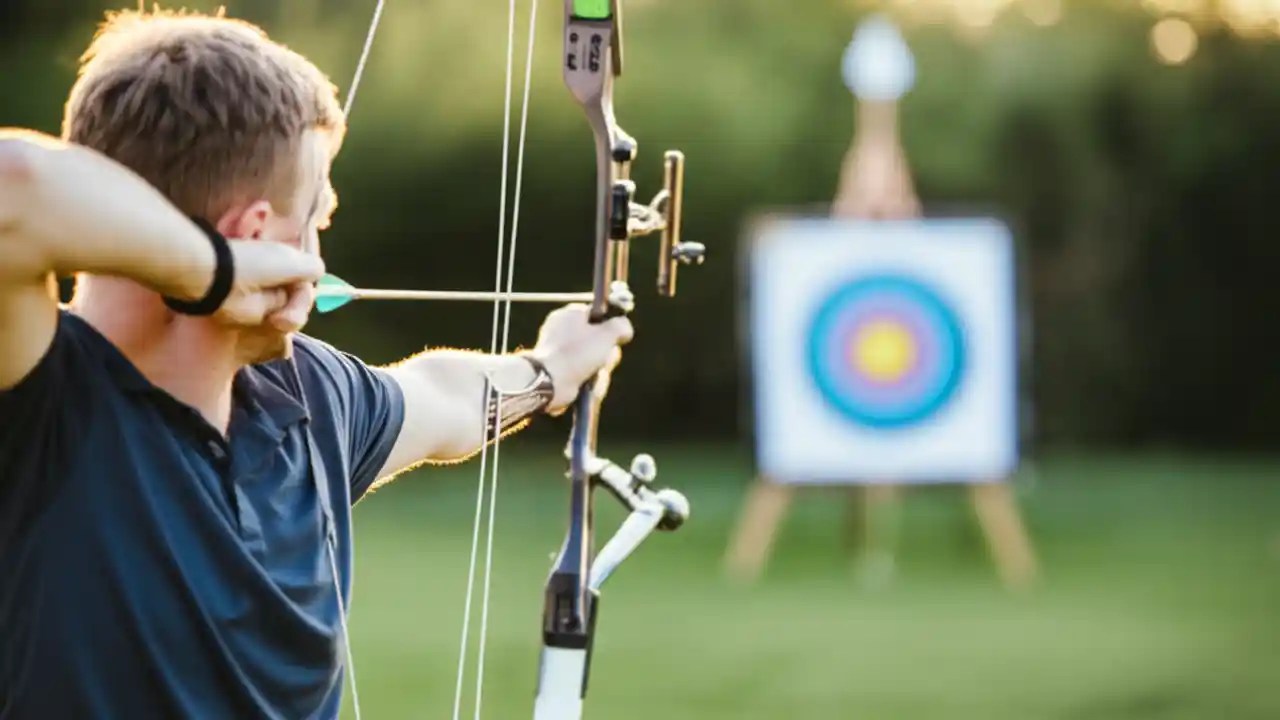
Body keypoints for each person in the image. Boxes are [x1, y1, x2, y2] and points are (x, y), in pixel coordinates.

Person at [0, 9, 632, 719]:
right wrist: (216, 271)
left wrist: (549, 369)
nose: (318, 255)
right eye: (318, 220)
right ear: (258, 235)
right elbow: (11, 183)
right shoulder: (39, 396)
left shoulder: (307, 396)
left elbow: (444, 397)